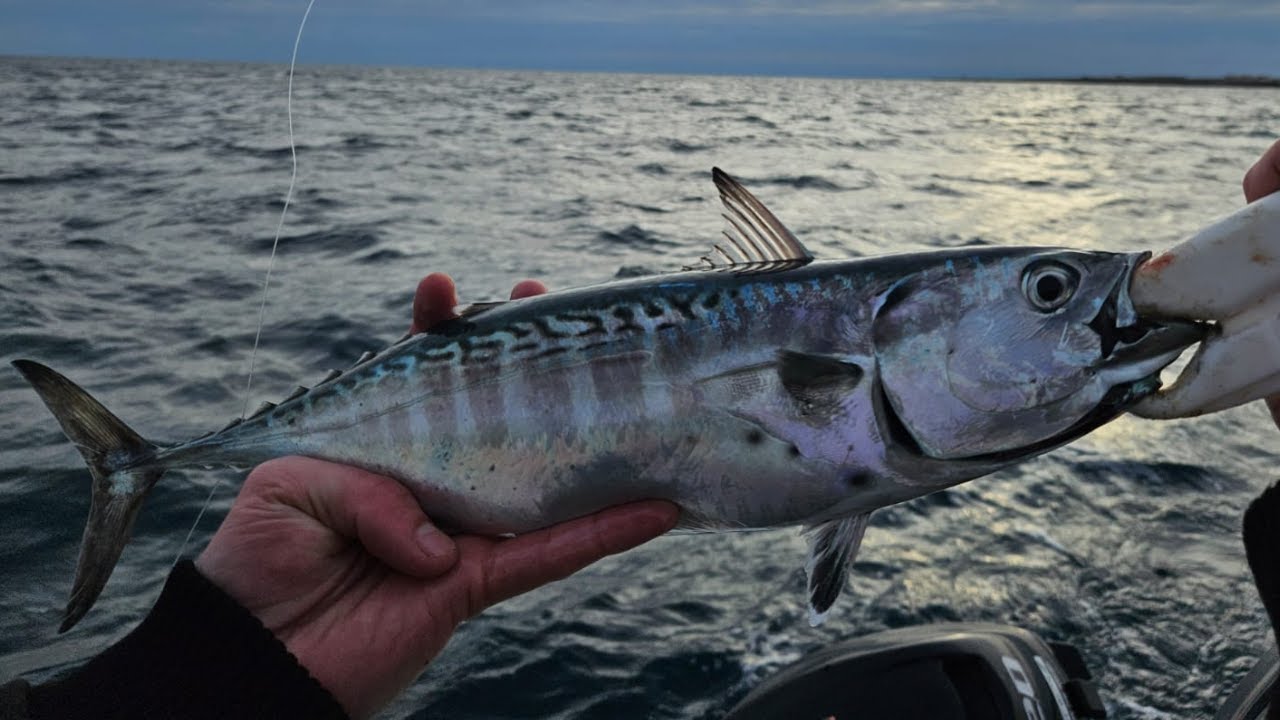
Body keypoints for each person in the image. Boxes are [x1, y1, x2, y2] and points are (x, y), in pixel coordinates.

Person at [4, 141, 1280, 719]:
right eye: (1047, 292)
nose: (1079, 307)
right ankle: (139, 467)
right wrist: (231, 663)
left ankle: (144, 470)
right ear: (886, 337)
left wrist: (218, 680)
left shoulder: (883, 432)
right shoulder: (835, 366)